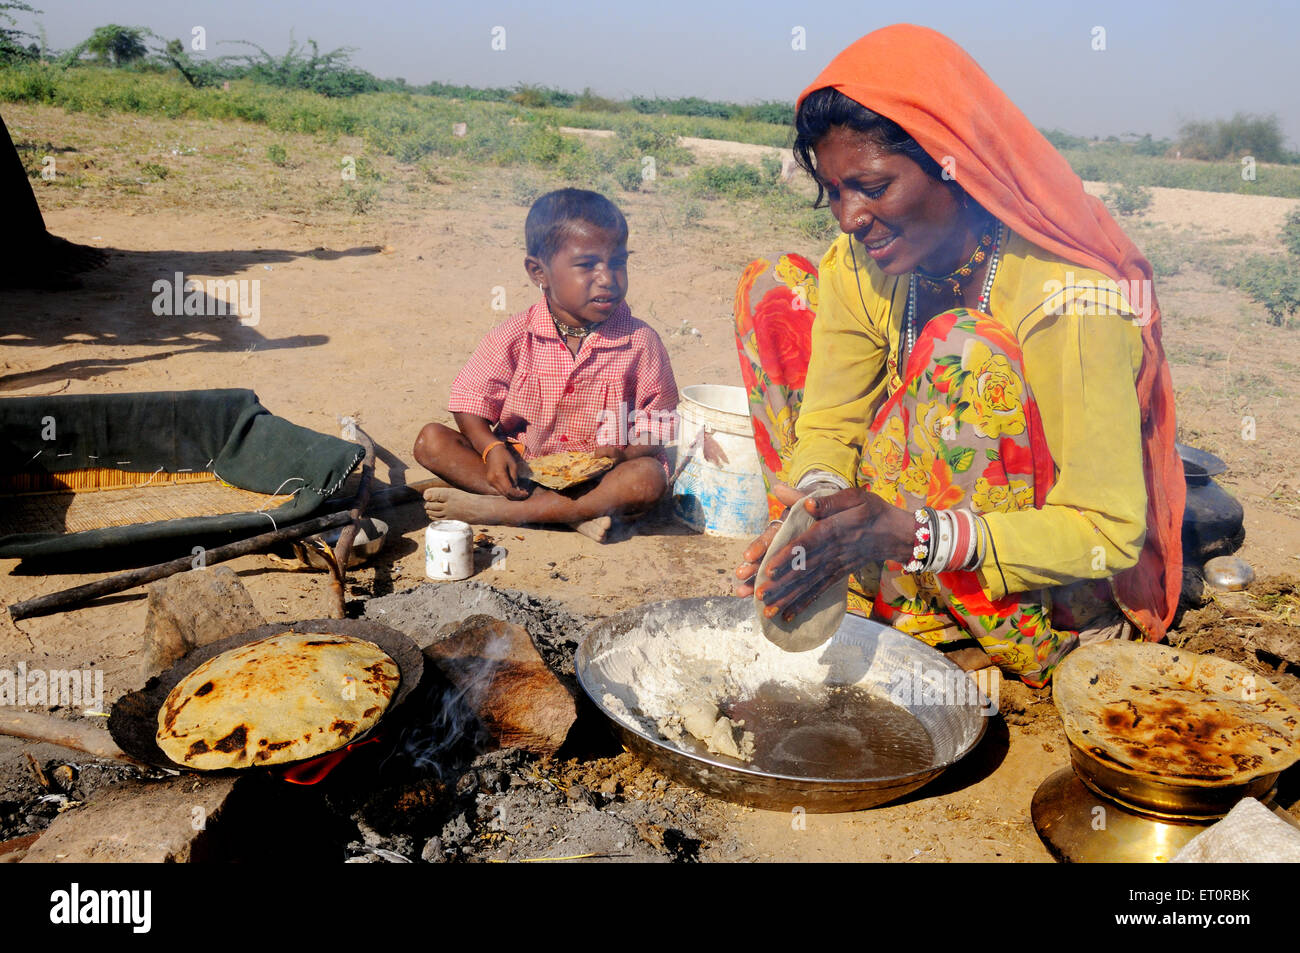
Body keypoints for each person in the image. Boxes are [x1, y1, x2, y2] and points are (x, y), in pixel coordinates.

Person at [733, 25, 1185, 686]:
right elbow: (828, 426)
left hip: (1047, 587)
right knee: (774, 289)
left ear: (954, 164)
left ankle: (954, 623)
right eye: (834, 190)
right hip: (911, 522)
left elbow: (1107, 532)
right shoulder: (865, 265)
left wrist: (917, 538)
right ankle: (871, 579)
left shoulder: (1070, 302)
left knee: (962, 346)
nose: (849, 216)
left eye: (873, 186)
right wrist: (814, 515)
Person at [416, 188, 678, 543]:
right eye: (587, 265)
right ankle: (571, 514)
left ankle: (507, 511)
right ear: (538, 272)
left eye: (618, 262)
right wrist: (492, 450)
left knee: (647, 478)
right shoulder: (514, 335)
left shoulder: (640, 341)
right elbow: (470, 402)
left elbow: (659, 425)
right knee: (431, 441)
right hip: (521, 468)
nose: (607, 277)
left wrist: (624, 453)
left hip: (599, 478)